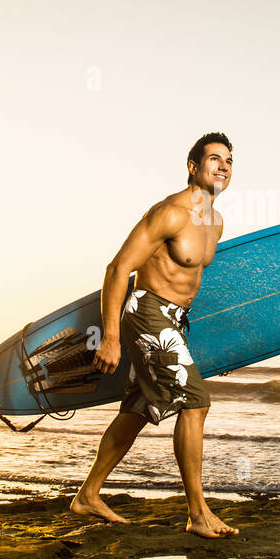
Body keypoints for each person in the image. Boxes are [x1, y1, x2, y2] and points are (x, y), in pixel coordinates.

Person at [70, 132, 239, 538]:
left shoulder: (215, 222)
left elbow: (190, 286)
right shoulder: (170, 213)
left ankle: (87, 496)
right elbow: (117, 269)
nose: (223, 166)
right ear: (193, 167)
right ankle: (198, 514)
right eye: (214, 159)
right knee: (196, 403)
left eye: (229, 161)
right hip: (146, 313)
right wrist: (110, 336)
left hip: (174, 320)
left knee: (138, 409)